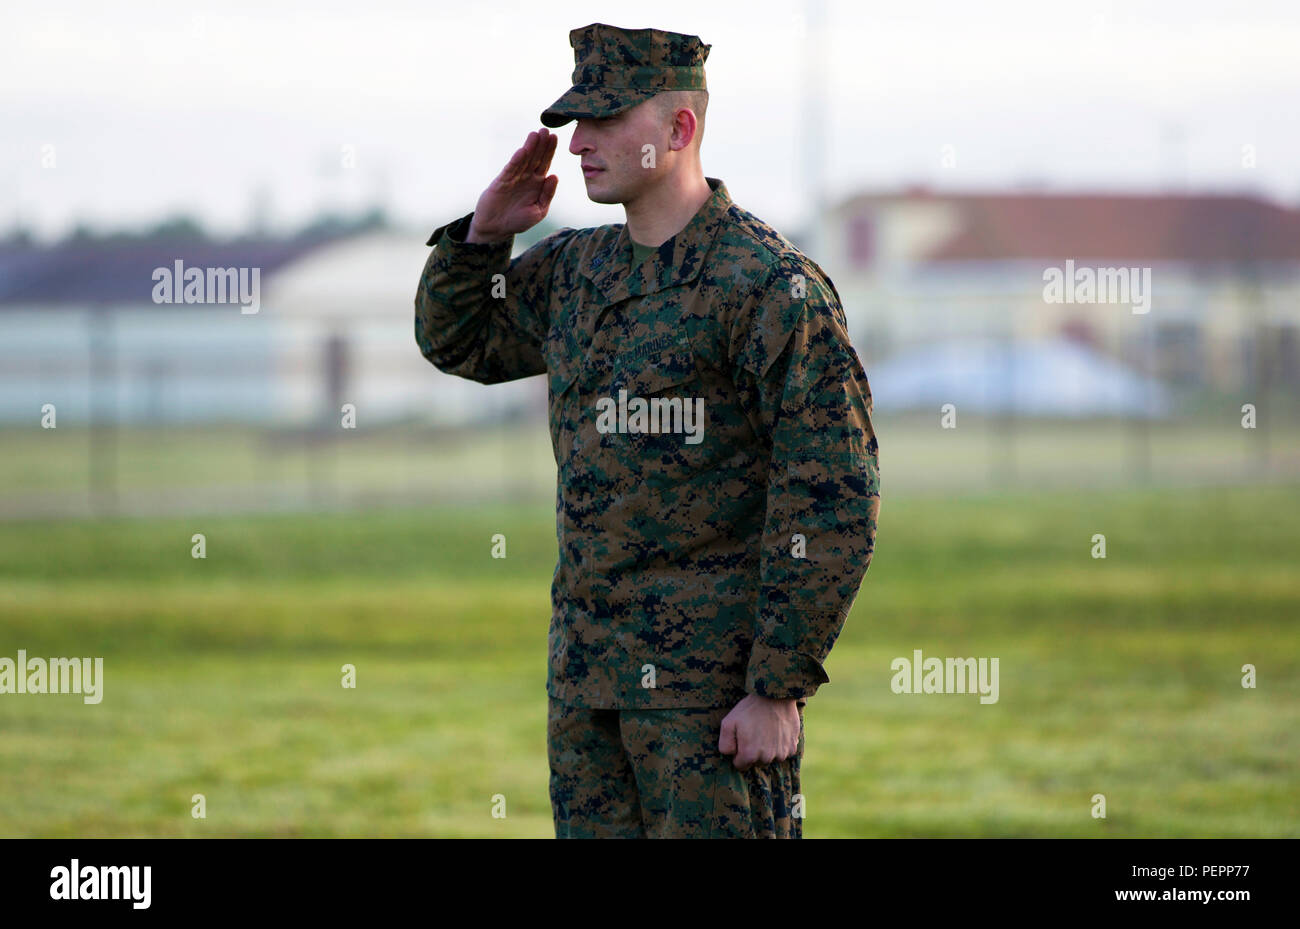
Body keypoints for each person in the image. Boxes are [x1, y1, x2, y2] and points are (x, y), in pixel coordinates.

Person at [416, 22, 880, 838]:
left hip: (711, 705)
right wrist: (485, 237)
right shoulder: (579, 273)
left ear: (679, 128)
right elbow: (460, 340)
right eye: (576, 122)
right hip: (589, 689)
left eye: (606, 120)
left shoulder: (767, 287)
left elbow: (832, 496)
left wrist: (777, 684)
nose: (581, 142)